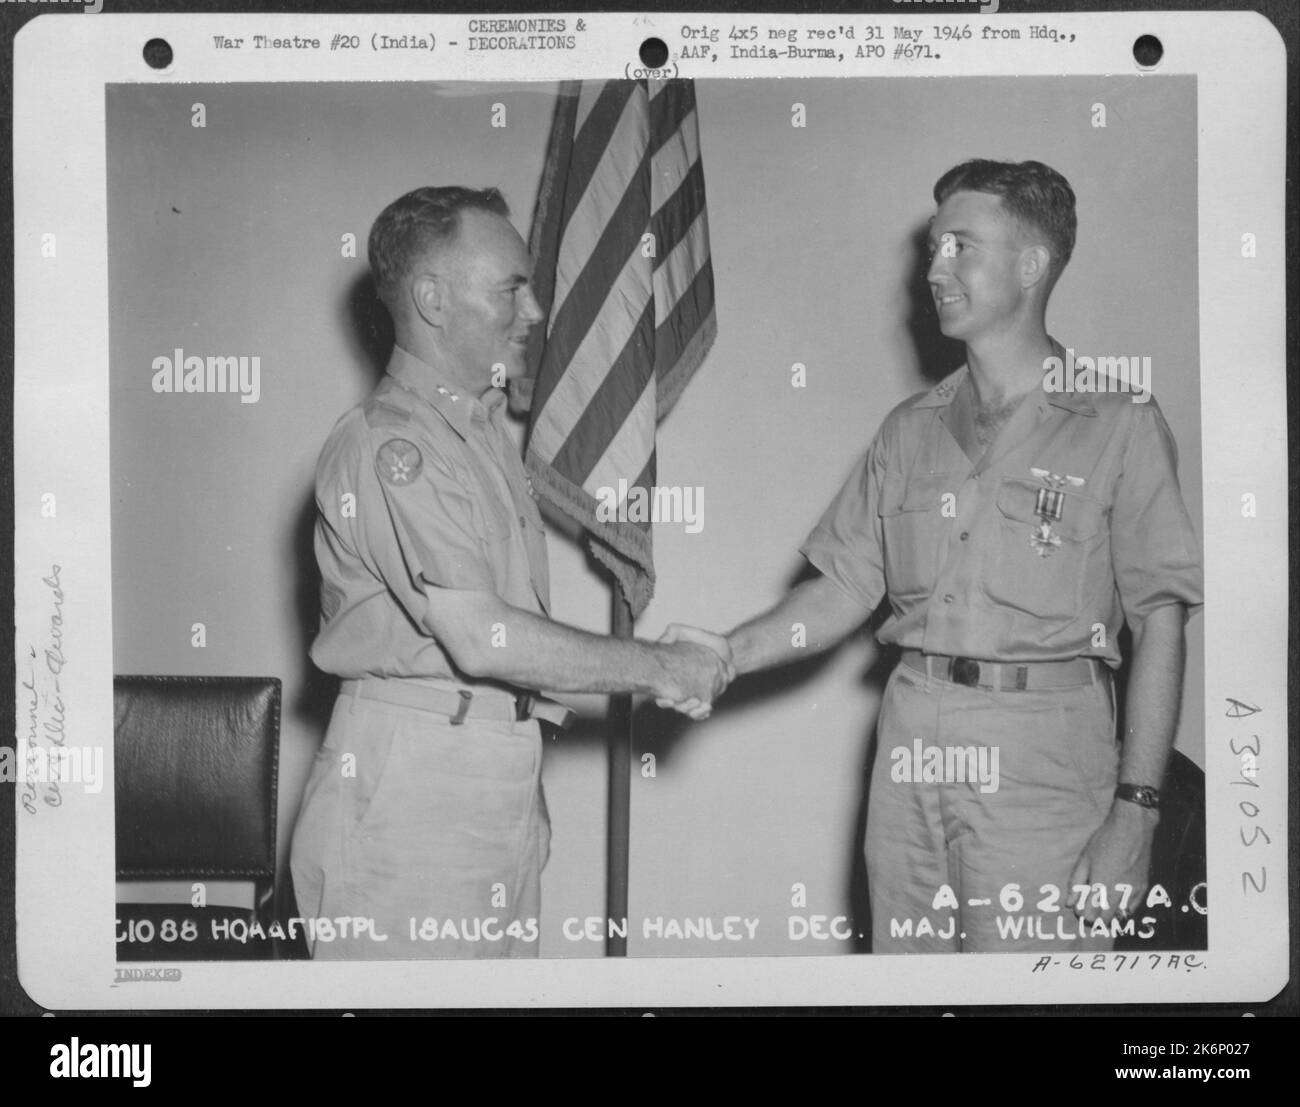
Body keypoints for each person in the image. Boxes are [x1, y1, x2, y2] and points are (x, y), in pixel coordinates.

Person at [664, 160, 1202, 953]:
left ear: (1031, 265)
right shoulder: (909, 429)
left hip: (1047, 754)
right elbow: (843, 587)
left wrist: (1137, 807)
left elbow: (1161, 622)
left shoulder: (1120, 423)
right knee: (907, 983)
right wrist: (724, 655)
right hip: (911, 742)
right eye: (933, 247)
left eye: (961, 246)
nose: (935, 268)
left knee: (1034, 992)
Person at [290, 186, 732, 960]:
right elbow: (485, 639)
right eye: (510, 289)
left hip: (489, 778)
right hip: (413, 794)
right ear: (431, 299)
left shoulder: (483, 433)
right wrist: (662, 664)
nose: (532, 312)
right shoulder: (392, 444)